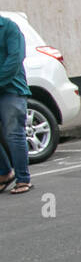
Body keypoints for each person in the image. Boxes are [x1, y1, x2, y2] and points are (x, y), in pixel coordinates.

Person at [0, 13, 32, 195]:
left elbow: (14, 59)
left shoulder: (9, 28)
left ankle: (23, 179)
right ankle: (4, 173)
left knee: (14, 135)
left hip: (12, 89)